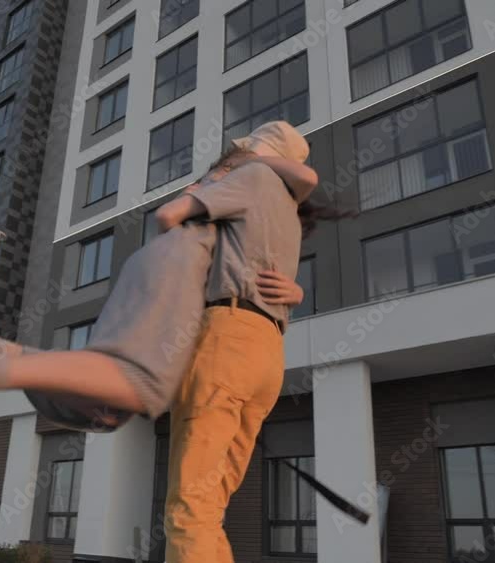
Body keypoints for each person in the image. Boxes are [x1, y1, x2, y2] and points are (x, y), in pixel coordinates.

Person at [0, 122, 317, 436]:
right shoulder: (248, 175)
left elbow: (252, 264)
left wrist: (292, 292)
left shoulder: (241, 190)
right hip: (182, 265)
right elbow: (171, 215)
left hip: (171, 267)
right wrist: (259, 163)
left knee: (108, 410)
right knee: (139, 381)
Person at [157, 121, 313, 563]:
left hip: (225, 337)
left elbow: (167, 217)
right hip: (268, 350)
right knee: (210, 505)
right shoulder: (289, 210)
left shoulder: (250, 177)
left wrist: (200, 189)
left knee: (189, 507)